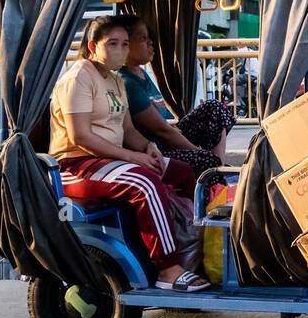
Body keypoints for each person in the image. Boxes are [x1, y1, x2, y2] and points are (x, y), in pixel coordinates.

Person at [49, 16, 210, 292]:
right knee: (144, 183)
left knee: (184, 172)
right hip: (76, 165)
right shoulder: (78, 78)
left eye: (124, 44)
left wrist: (149, 148)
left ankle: (190, 253)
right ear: (92, 46)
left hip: (109, 160)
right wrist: (132, 158)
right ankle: (167, 269)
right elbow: (81, 136)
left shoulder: (115, 80)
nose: (120, 50)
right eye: (112, 44)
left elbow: (128, 130)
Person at [115, 16, 236, 179]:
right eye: (143, 38)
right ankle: (214, 173)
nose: (151, 43)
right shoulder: (128, 83)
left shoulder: (140, 73)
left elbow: (165, 125)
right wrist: (200, 152)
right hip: (157, 150)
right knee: (207, 160)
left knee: (214, 108)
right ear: (126, 44)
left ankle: (216, 170)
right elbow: (162, 131)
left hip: (166, 138)